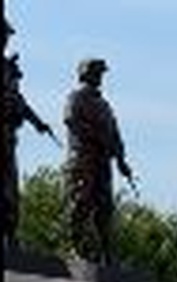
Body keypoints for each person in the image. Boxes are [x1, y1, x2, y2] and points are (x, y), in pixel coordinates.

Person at [64, 57, 133, 264]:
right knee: (80, 203)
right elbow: (71, 120)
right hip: (83, 159)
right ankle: (77, 248)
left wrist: (121, 159)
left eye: (101, 74)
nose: (100, 77)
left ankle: (106, 254)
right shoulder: (76, 97)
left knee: (104, 207)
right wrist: (98, 137)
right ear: (85, 74)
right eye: (96, 73)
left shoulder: (104, 105)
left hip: (102, 162)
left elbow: (115, 134)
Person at [3, 53, 54, 249]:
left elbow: (22, 105)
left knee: (10, 190)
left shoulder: (11, 77)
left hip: (9, 139)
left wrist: (38, 124)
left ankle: (11, 235)